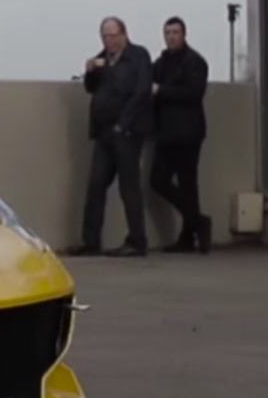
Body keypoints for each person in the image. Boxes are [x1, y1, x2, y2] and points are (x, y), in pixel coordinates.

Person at [71, 16, 153, 257]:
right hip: (103, 132)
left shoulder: (138, 56)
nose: (108, 41)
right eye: (104, 36)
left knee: (129, 187)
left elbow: (142, 92)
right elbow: (91, 88)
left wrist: (123, 125)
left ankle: (137, 240)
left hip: (126, 131)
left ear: (124, 35)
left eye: (112, 36)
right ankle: (91, 240)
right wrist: (90, 72)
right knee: (96, 185)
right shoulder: (102, 59)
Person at [150, 16, 212, 254]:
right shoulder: (161, 63)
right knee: (158, 181)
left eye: (175, 32)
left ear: (184, 34)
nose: (171, 37)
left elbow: (193, 93)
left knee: (187, 184)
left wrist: (161, 90)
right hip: (166, 132)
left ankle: (189, 235)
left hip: (188, 132)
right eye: (167, 33)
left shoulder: (195, 62)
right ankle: (198, 222)